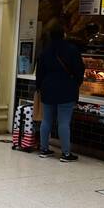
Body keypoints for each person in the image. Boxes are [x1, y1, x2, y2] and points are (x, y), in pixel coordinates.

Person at [34, 22, 84, 162]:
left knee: (46, 120)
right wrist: (76, 84)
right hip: (66, 89)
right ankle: (66, 154)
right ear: (64, 34)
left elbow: (40, 72)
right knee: (63, 122)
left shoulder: (45, 51)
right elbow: (79, 70)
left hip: (48, 89)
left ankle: (44, 149)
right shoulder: (72, 50)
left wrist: (39, 88)